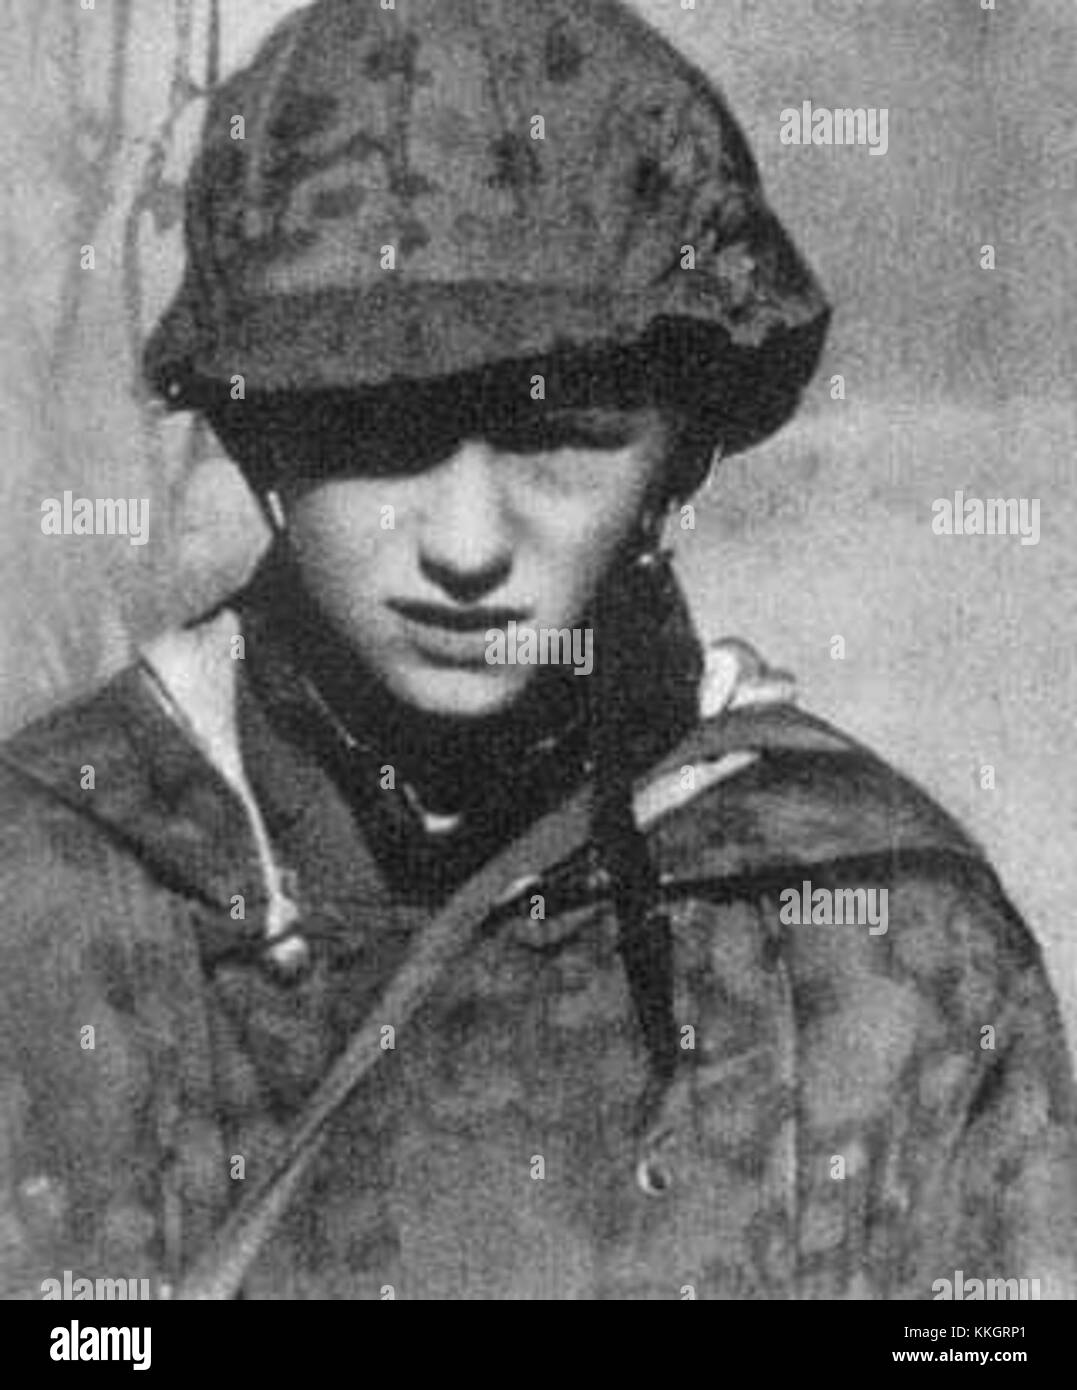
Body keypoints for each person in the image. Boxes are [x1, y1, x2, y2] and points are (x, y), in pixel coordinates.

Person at [1, 0, 1075, 1301]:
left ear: (678, 461)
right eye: (381, 424)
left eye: (558, 435)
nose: (464, 543)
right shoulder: (48, 894)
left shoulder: (869, 942)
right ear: (258, 435)